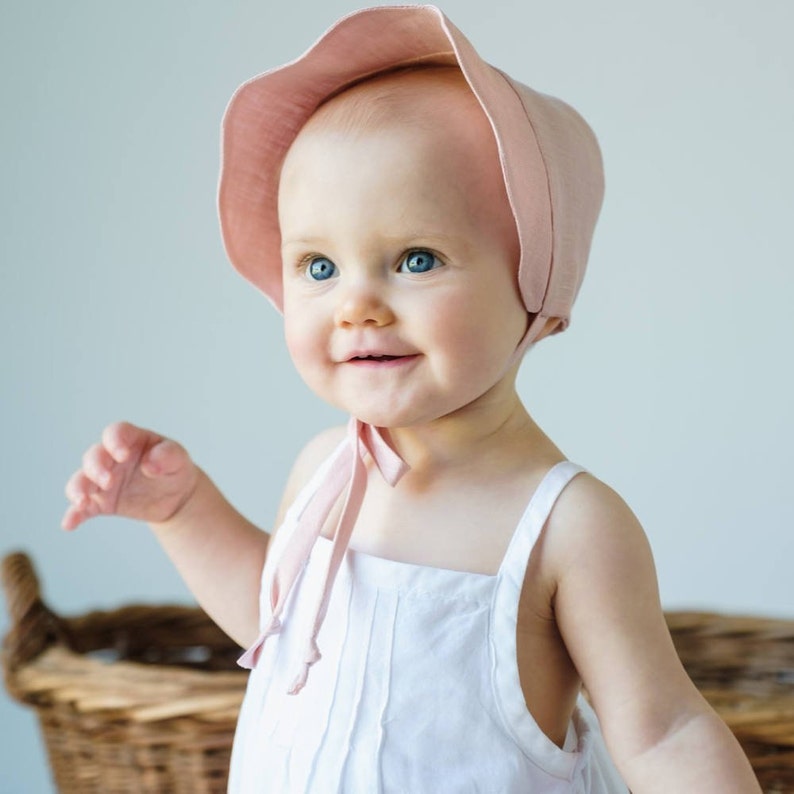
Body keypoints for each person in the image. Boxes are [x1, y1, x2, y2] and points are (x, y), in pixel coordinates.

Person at [62, 5, 761, 792]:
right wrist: (183, 512)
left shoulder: (569, 526)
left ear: (539, 286)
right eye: (319, 267)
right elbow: (283, 633)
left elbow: (663, 729)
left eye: (416, 258)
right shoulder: (323, 468)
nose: (356, 303)